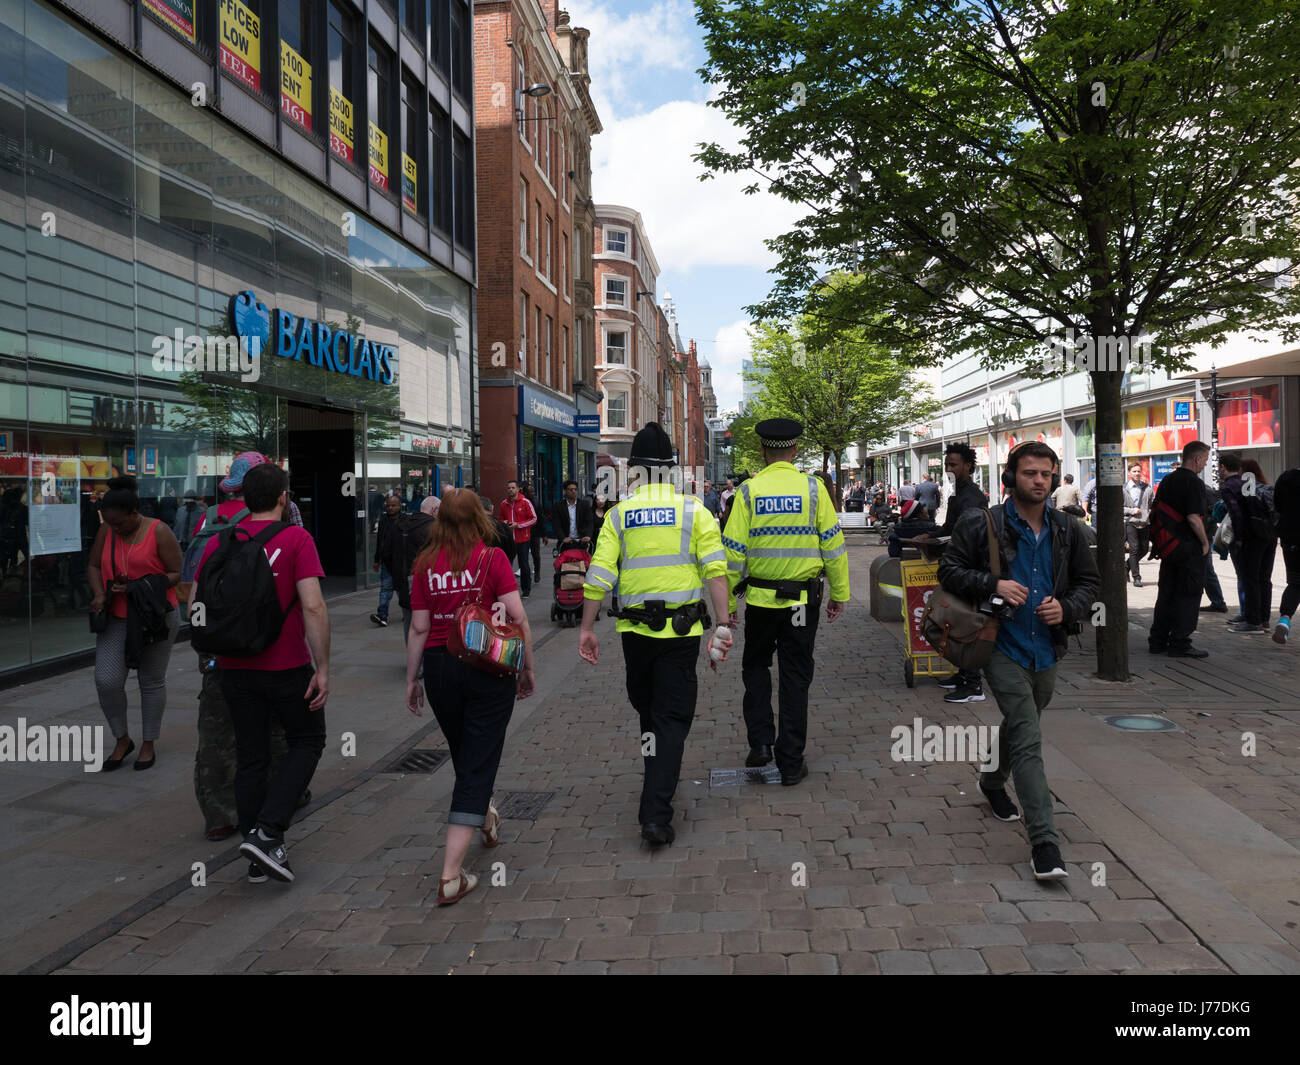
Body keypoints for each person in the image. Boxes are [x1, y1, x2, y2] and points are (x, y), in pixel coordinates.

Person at [937, 441, 1099, 881]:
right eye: (1030, 473)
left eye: (1046, 474)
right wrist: (994, 584)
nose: (1039, 481)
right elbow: (948, 571)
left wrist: (1067, 608)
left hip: (1047, 646)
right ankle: (1045, 843)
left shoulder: (1068, 529)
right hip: (999, 644)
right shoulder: (982, 522)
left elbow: (1089, 583)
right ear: (1010, 476)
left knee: (1022, 720)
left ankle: (991, 781)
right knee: (1028, 735)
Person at [579, 422, 732, 846]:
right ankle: (655, 813)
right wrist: (723, 623)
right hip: (681, 635)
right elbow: (715, 572)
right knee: (671, 718)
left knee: (649, 713)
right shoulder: (694, 512)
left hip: (636, 636)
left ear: (635, 471)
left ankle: (655, 788)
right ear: (670, 469)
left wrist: (588, 628)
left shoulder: (619, 515)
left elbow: (599, 576)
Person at [196, 462, 330, 884]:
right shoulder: (296, 538)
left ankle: (258, 857)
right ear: (283, 498)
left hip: (234, 668)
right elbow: (312, 605)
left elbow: (195, 608)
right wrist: (322, 666)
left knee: (251, 756)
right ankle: (270, 830)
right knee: (308, 741)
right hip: (286, 665)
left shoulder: (221, 542)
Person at [405, 487, 535, 905]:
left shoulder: (425, 564)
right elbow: (517, 617)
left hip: (441, 667)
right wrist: (527, 668)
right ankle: (450, 874)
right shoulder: (491, 558)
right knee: (477, 760)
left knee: (466, 750)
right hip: (486, 666)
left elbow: (419, 628)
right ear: (479, 519)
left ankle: (486, 814)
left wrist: (413, 678)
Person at [724, 418, 850, 783]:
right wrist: (839, 594)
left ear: (764, 451)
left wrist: (728, 604)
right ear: (795, 451)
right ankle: (791, 762)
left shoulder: (748, 492)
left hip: (761, 602)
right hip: (800, 604)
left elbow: (732, 554)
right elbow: (833, 546)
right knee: (795, 676)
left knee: (756, 668)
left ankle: (761, 744)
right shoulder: (814, 490)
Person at [86, 476, 183, 771]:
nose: (115, 529)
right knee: (106, 680)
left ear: (134, 513)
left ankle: (148, 743)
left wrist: (138, 587)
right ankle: (122, 738)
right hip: (116, 617)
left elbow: (176, 572)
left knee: (151, 680)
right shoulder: (107, 530)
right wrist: (100, 593)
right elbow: (92, 565)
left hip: (155, 617)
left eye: (120, 523)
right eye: (110, 523)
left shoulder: (159, 531)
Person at [1149, 441, 1212, 658]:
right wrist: (1205, 543)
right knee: (1188, 595)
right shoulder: (1193, 483)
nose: (1205, 464)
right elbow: (1194, 518)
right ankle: (1180, 642)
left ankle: (1157, 640)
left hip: (1169, 548)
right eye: (1204, 459)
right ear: (1196, 459)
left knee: (1166, 593)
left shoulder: (1168, 479)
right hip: (1188, 548)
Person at [940, 442, 989, 703]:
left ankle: (973, 684)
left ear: (968, 466)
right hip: (960, 565)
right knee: (957, 619)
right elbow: (949, 527)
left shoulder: (972, 497)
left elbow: (967, 534)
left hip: (970, 569)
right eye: (946, 464)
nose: (948, 469)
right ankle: (963, 674)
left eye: (953, 465)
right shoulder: (957, 493)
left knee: (968, 622)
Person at [1219, 454, 1275, 635]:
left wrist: (1239, 538)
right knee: (1264, 579)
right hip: (1269, 534)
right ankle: (1264, 620)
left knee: (1249, 578)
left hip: (1252, 537)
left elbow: (1236, 513)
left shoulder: (1229, 486)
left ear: (1223, 467)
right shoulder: (1258, 485)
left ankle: (1253, 622)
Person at [384, 494, 440, 647]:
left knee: (408, 621)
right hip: (426, 581)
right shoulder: (434, 528)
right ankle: (424, 662)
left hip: (402, 580)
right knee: (427, 622)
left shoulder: (398, 525)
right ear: (434, 510)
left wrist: (396, 574)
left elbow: (386, 553)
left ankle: (412, 657)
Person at [1272, 463, 1300, 644]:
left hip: (1291, 536)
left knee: (1296, 581)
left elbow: (1277, 506)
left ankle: (1285, 619)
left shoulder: (1286, 478)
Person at [498, 480, 537, 598]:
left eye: (513, 488)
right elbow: (499, 519)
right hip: (508, 539)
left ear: (518, 489)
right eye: (509, 488)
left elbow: (534, 519)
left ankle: (526, 589)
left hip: (523, 539)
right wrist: (504, 523)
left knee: (523, 564)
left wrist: (518, 525)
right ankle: (507, 590)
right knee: (506, 565)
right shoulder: (504, 504)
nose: (510, 490)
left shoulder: (525, 502)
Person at [370, 493, 403, 627]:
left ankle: (408, 612)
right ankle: (382, 615)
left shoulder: (405, 520)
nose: (390, 508)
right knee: (385, 588)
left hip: (401, 562)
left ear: (399, 506)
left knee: (402, 590)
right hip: (387, 561)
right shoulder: (383, 520)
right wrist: (377, 559)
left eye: (393, 505)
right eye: (388, 505)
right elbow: (380, 541)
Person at [1122, 462, 1154, 587]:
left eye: (1138, 471)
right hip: (1130, 522)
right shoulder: (1124, 489)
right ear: (1129, 473)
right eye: (1134, 471)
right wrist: (1131, 511)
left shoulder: (1147, 488)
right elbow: (1118, 507)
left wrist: (1149, 512)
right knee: (1134, 549)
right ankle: (1137, 577)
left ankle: (1127, 565)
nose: (1137, 473)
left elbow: (1152, 503)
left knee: (1144, 549)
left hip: (1145, 522)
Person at [548, 479, 594, 546]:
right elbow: (556, 524)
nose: (574, 491)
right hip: (565, 542)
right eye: (571, 489)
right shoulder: (558, 506)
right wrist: (562, 538)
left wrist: (588, 535)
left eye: (575, 489)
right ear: (565, 491)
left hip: (582, 541)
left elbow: (589, 522)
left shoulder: (584, 505)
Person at [521, 481, 544, 580]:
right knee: (523, 555)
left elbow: (540, 518)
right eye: (531, 492)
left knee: (536, 554)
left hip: (535, 533)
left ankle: (537, 572)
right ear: (525, 493)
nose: (533, 494)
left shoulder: (536, 501)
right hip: (523, 533)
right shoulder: (521, 502)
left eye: (533, 492)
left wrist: (544, 534)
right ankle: (526, 575)